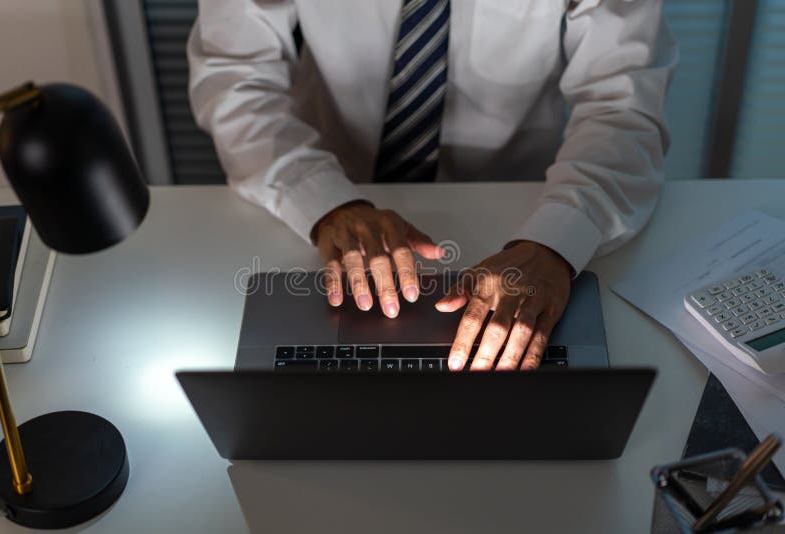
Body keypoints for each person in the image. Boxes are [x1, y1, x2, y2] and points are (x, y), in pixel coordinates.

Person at [188, 0, 677, 372]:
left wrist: (555, 242)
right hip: (330, 196)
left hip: (519, 211)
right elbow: (236, 75)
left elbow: (621, 104)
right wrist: (320, 199)